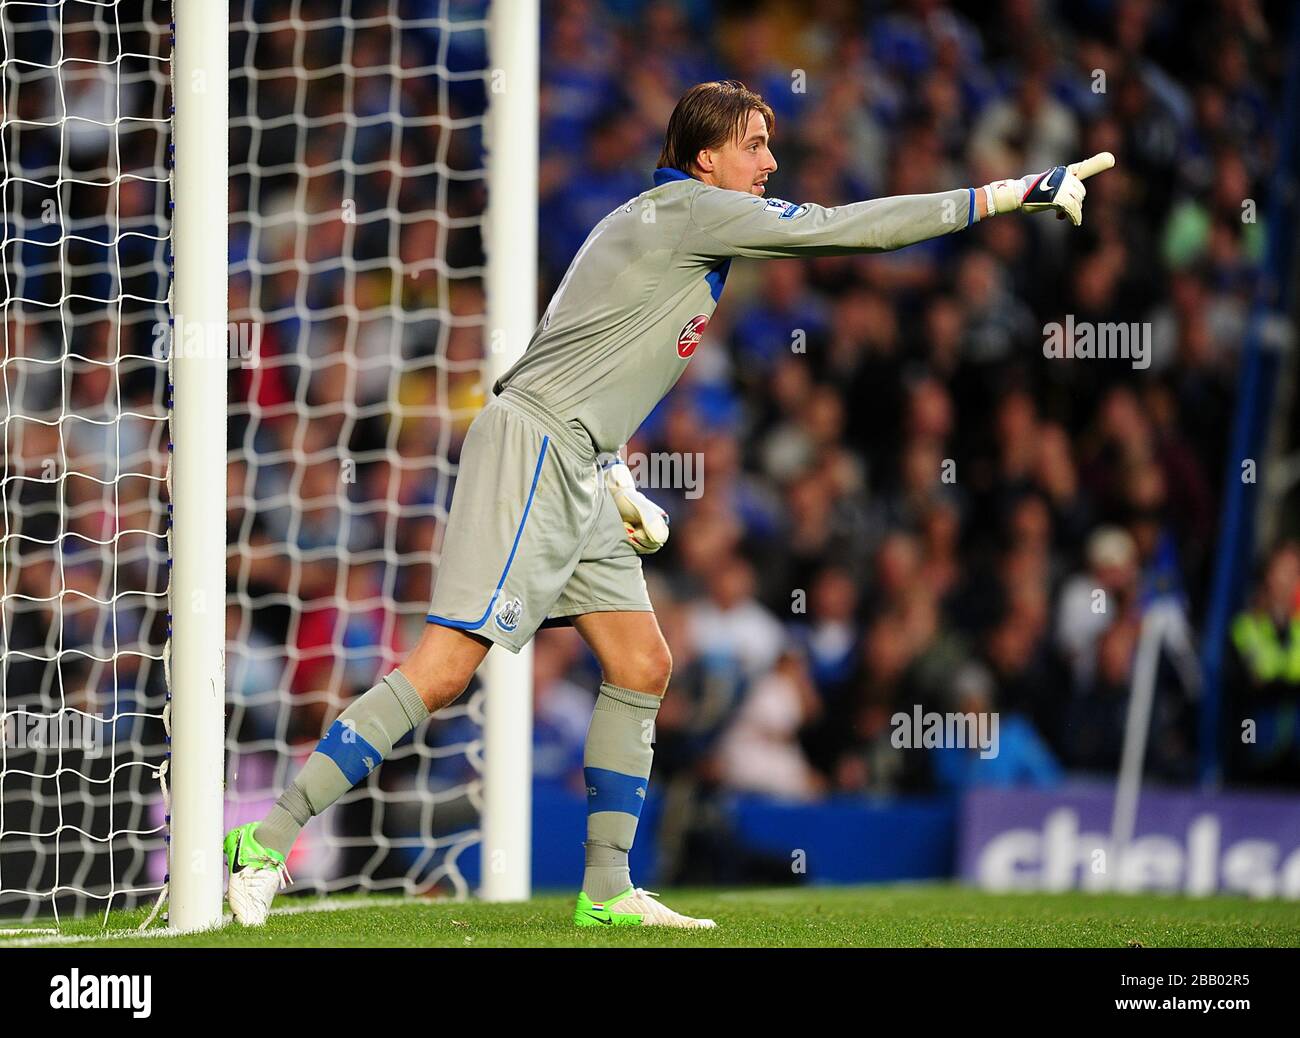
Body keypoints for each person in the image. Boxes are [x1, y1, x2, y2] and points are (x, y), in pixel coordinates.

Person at [224, 79, 1108, 929]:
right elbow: (851, 230)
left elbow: (578, 352)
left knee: (642, 662)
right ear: (705, 157)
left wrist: (611, 478)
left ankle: (607, 890)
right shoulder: (693, 211)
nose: (771, 163)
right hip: (538, 450)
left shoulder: (651, 219)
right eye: (755, 146)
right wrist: (1007, 193)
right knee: (447, 668)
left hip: (577, 458)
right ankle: (265, 843)